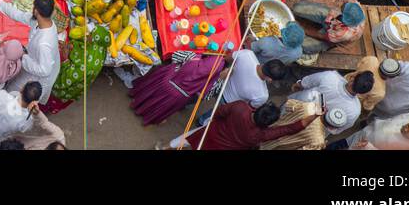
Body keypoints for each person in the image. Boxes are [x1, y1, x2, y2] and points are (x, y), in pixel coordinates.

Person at [0, 0, 61, 102]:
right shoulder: (42, 21)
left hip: (38, 76)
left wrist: (24, 57)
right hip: (34, 60)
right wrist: (0, 3)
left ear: (36, 11)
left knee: (15, 95)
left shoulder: (43, 43)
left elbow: (44, 70)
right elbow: (19, 15)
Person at [176, 100, 318, 150]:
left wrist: (215, 123)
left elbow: (219, 112)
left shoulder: (240, 107)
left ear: (258, 109)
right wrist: (316, 115)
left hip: (211, 132)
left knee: (188, 139)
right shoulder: (261, 135)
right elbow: (289, 129)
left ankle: (163, 147)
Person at [130, 53, 226, 125]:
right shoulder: (215, 81)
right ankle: (148, 114)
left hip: (167, 82)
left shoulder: (194, 57)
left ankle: (138, 100)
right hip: (179, 97)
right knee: (169, 104)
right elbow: (204, 96)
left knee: (168, 70)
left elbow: (174, 56)